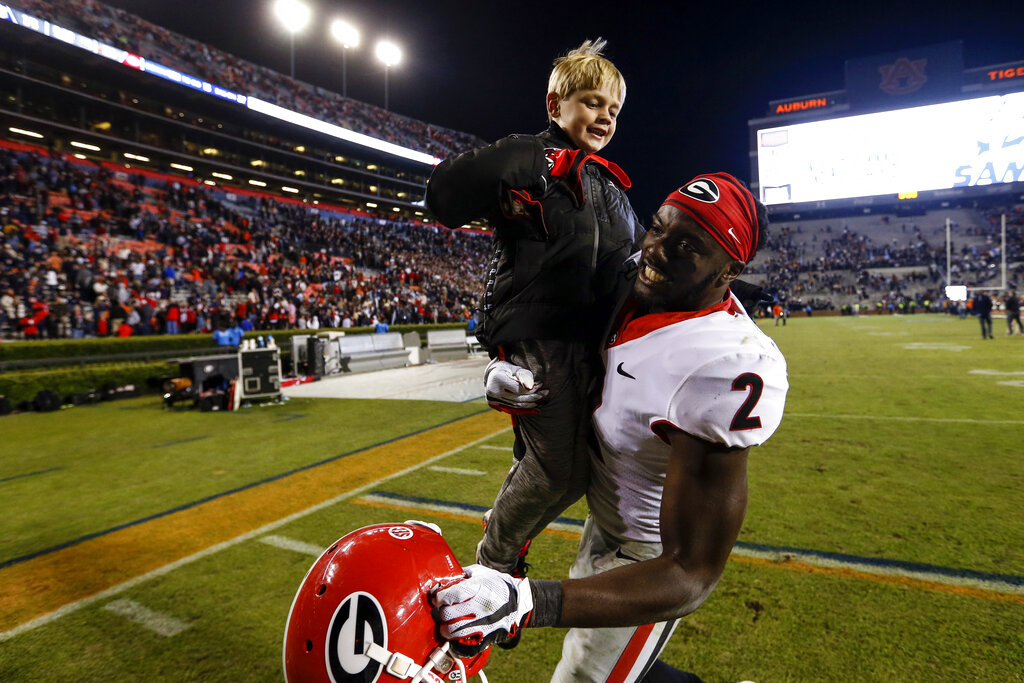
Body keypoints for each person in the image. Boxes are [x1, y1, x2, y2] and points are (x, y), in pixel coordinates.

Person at [432, 173, 789, 683]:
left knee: (582, 676)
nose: (656, 251)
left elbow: (691, 572)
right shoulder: (628, 283)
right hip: (602, 514)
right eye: (658, 229)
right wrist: (507, 369)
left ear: (728, 269)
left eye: (686, 247)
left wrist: (531, 602)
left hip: (649, 556)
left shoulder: (726, 363)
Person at [426, 38, 645, 578]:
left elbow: (637, 263)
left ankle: (504, 545)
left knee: (564, 467)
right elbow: (443, 195)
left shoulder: (610, 185)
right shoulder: (532, 156)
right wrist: (515, 162)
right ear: (555, 106)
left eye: (613, 109)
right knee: (558, 473)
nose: (604, 116)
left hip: (589, 343)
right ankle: (492, 565)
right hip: (541, 337)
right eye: (592, 101)